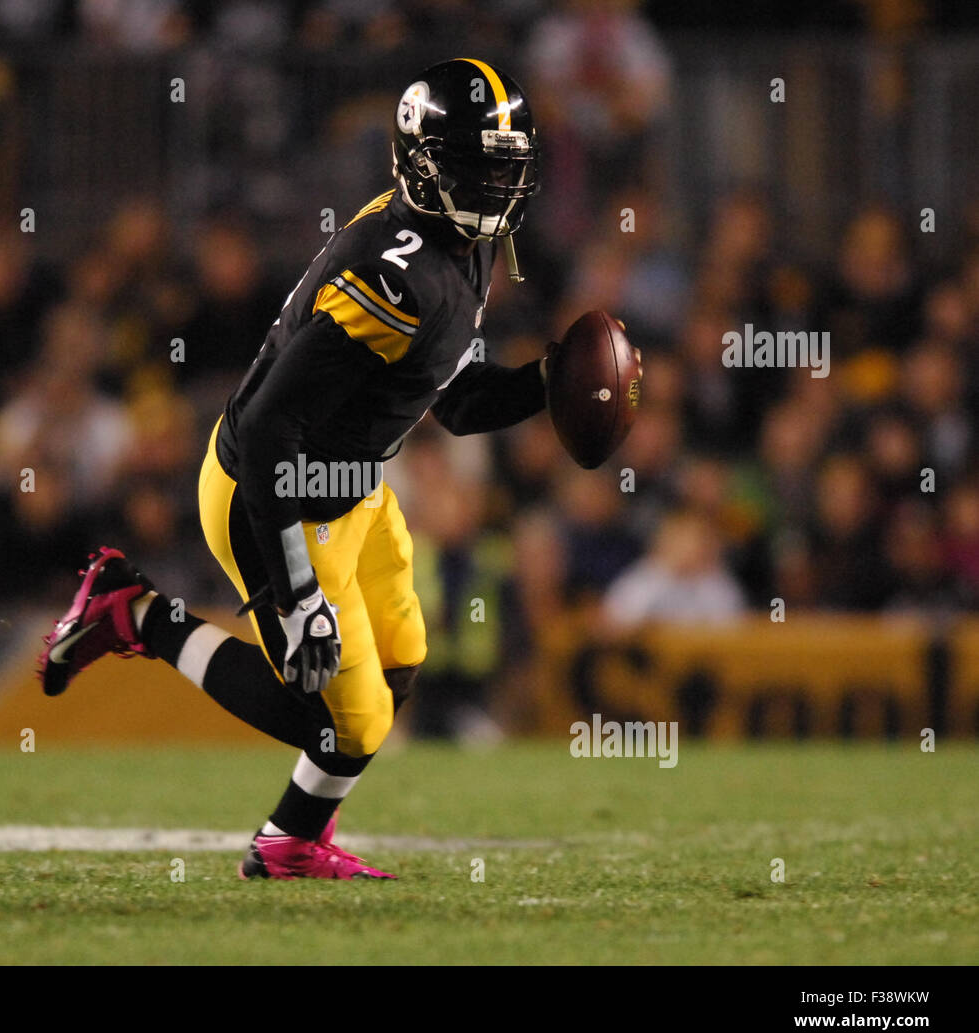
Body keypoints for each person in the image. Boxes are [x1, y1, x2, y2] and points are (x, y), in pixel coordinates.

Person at [40, 59, 603, 879]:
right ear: (423, 164)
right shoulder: (398, 274)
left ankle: (292, 839)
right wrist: (299, 591)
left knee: (404, 654)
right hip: (274, 490)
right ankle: (136, 613)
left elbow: (447, 400)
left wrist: (545, 383)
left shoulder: (458, 246)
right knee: (346, 713)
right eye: (478, 168)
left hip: (351, 484)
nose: (495, 187)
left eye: (504, 168)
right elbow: (272, 428)